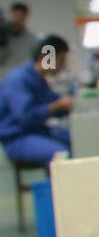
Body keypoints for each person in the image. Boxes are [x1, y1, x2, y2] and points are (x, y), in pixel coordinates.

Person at [0, 35, 74, 165]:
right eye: (61, 60)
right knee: (62, 154)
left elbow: (53, 101)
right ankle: (60, 185)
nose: (63, 65)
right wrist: (58, 105)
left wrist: (66, 104)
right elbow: (27, 116)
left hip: (37, 132)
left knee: (77, 140)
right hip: (18, 139)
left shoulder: (38, 79)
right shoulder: (18, 79)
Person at [0, 2, 42, 77]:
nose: (18, 19)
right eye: (16, 15)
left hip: (20, 80)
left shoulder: (32, 40)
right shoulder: (3, 36)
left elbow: (36, 62)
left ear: (26, 17)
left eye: (21, 16)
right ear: (11, 15)